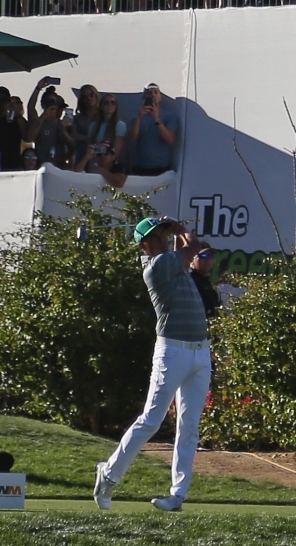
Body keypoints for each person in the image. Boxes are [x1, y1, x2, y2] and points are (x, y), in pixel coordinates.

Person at [96, 216, 221, 513]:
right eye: (156, 237)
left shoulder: (172, 262)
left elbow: (186, 251)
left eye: (163, 235)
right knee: (151, 419)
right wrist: (180, 230)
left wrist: (175, 233)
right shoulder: (156, 266)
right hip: (172, 352)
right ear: (144, 246)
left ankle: (177, 495)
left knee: (189, 427)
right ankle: (109, 475)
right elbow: (193, 248)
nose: (163, 239)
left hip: (199, 352)